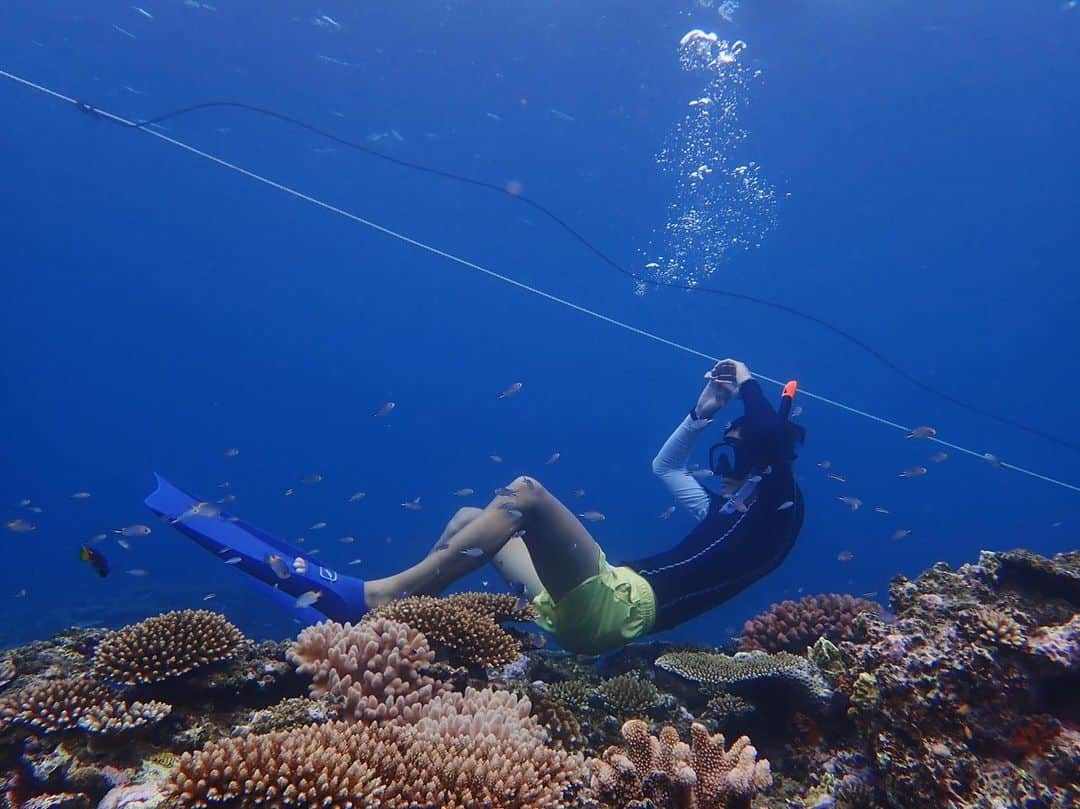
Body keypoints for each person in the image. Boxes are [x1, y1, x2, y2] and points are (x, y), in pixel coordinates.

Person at [147, 358, 805, 654]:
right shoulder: (729, 511)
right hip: (577, 608)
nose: (730, 457)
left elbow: (773, 445)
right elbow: (666, 466)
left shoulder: (778, 503)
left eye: (736, 445)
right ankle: (399, 631)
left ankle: (374, 599)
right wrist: (700, 415)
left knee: (524, 493)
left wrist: (749, 384)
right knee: (470, 518)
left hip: (615, 610)